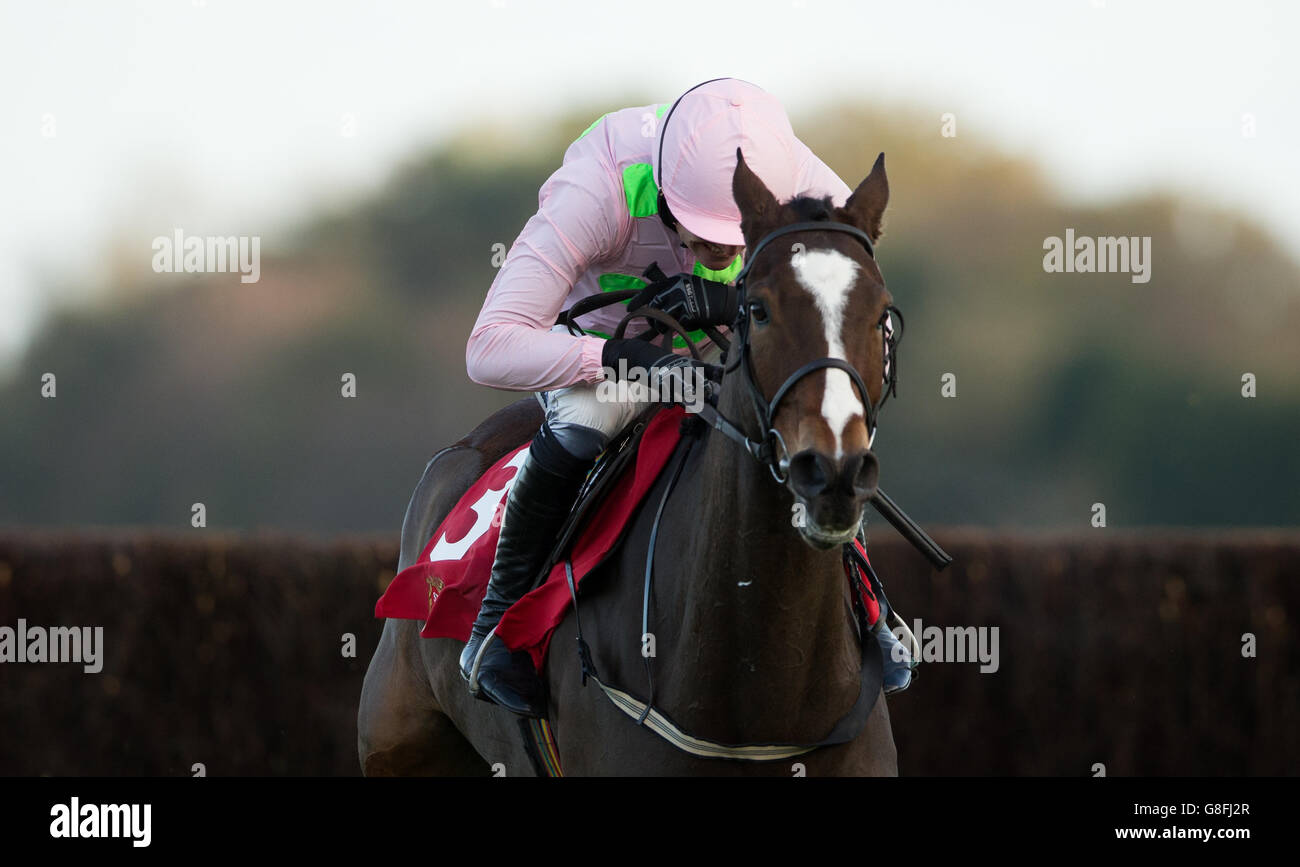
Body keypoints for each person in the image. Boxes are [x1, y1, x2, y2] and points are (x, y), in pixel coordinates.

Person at [460, 78, 913, 718]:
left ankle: (871, 609)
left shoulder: (812, 184)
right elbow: (490, 347)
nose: (723, 253)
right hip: (597, 344)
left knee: (819, 420)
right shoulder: (598, 190)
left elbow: (842, 311)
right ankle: (496, 632)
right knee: (592, 420)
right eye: (706, 237)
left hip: (730, 340)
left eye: (736, 239)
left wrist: (727, 302)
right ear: (669, 195)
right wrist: (617, 359)